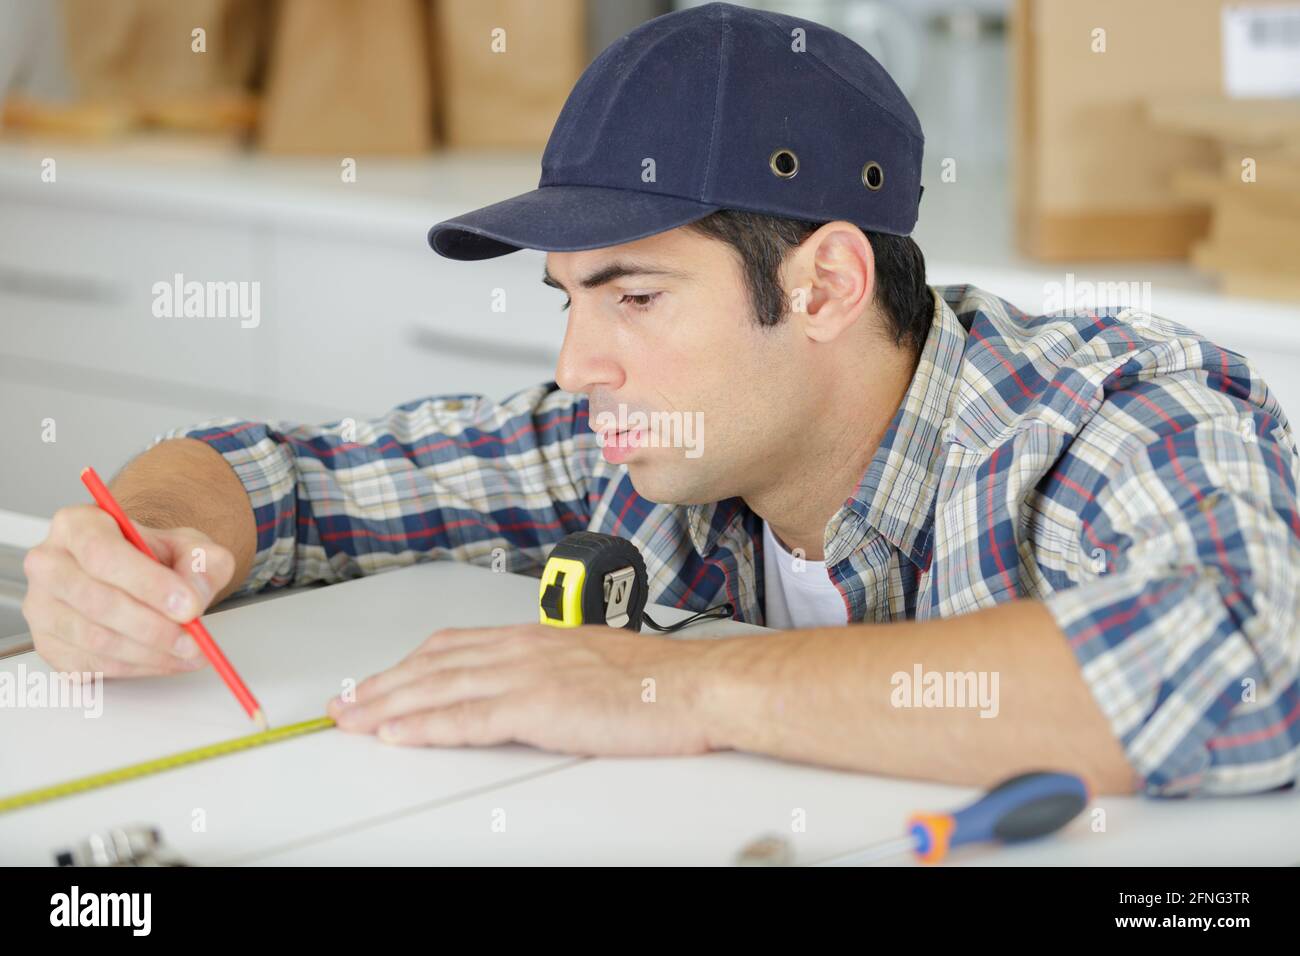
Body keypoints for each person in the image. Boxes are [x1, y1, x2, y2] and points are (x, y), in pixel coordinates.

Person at [21, 3, 1300, 798]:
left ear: (825, 283)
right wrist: (138, 546)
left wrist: (662, 687)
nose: (581, 363)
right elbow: (284, 478)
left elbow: (1229, 664)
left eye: (632, 297)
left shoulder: (1115, 413)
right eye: (565, 299)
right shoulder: (636, 441)